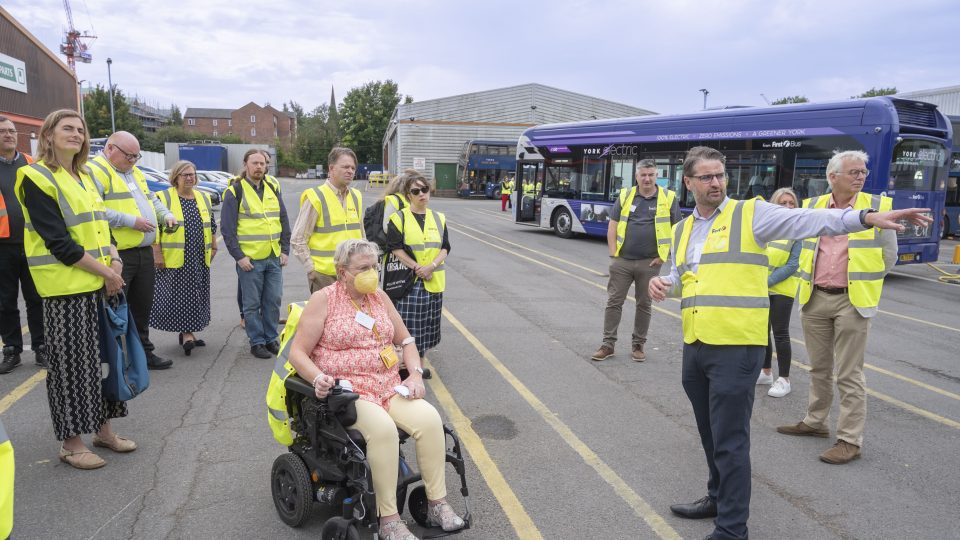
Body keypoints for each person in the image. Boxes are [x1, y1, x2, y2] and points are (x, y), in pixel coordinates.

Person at [648, 146, 929, 540]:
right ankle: (716, 497)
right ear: (688, 182)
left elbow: (809, 219)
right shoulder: (682, 230)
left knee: (730, 440)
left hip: (737, 347)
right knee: (710, 435)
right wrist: (662, 283)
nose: (715, 183)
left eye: (720, 175)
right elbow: (681, 277)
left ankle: (731, 528)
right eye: (706, 177)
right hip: (696, 343)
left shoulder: (752, 214)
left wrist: (863, 217)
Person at [286, 239, 465, 540]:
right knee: (383, 431)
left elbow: (406, 341)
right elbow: (297, 353)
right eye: (363, 268)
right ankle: (389, 520)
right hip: (349, 393)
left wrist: (415, 376)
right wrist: (317, 378)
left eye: (374, 267)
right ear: (342, 272)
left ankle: (437, 503)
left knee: (430, 419)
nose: (372, 273)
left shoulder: (379, 297)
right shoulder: (324, 299)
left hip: (388, 386)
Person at [16, 109, 136, 470]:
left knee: (104, 362)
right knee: (71, 368)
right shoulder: (35, 177)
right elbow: (59, 243)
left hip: (99, 284)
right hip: (65, 291)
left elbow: (102, 227)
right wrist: (108, 273)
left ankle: (103, 431)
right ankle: (71, 444)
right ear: (48, 135)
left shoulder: (84, 176)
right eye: (67, 128)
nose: (76, 134)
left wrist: (115, 260)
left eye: (81, 130)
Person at [776, 150, 899, 464]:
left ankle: (849, 440)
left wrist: (863, 283)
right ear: (833, 177)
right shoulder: (814, 206)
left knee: (849, 373)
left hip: (852, 300)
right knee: (819, 368)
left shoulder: (879, 207)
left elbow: (889, 257)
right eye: (854, 172)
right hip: (815, 295)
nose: (861, 176)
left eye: (863, 172)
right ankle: (816, 422)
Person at [87, 131, 175, 370]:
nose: (134, 161)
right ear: (110, 149)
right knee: (114, 308)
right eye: (130, 156)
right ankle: (116, 360)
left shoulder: (134, 172)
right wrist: (131, 221)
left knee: (141, 306)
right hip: (118, 255)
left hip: (143, 251)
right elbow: (95, 209)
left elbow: (151, 199)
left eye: (137, 156)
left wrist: (164, 215)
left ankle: (143, 354)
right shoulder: (95, 171)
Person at [592, 159, 680, 362]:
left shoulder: (668, 197)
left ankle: (638, 345)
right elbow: (612, 226)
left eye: (651, 174)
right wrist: (614, 255)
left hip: (649, 263)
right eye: (643, 175)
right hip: (622, 261)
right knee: (614, 302)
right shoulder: (626, 195)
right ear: (637, 176)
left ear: (657, 175)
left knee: (644, 304)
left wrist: (663, 256)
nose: (647, 178)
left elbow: (677, 230)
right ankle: (608, 344)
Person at [221, 149, 291, 359]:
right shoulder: (235, 191)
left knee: (273, 300)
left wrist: (285, 249)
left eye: (262, 163)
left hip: (273, 257)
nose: (259, 167)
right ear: (245, 165)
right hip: (250, 260)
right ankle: (257, 342)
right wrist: (239, 257)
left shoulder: (272, 188)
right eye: (255, 163)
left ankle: (271, 339)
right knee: (251, 304)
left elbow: (283, 220)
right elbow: (227, 229)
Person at [150, 160, 218, 355]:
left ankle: (189, 332)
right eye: (185, 175)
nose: (190, 178)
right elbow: (155, 227)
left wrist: (214, 245)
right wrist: (157, 252)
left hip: (199, 256)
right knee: (178, 296)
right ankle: (187, 333)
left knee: (197, 293)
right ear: (176, 178)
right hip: (174, 257)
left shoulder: (203, 197)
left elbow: (211, 224)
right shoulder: (163, 198)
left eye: (192, 174)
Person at [0, 115, 47, 373]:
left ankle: (41, 347)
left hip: (32, 243)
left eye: (11, 131)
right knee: (5, 301)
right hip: (2, 247)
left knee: (36, 298)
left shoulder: (31, 164)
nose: (8, 135)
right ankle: (12, 349)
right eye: (3, 131)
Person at [387, 171, 450, 363]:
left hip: (434, 281)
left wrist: (431, 266)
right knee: (410, 326)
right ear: (409, 196)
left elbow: (445, 247)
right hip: (411, 282)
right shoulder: (399, 218)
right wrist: (417, 267)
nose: (422, 194)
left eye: (425, 189)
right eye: (416, 191)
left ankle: (419, 364)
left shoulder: (439, 218)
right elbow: (395, 248)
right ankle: (407, 366)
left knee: (428, 326)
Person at [291, 147, 364, 293]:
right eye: (345, 167)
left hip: (353, 275)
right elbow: (298, 239)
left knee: (354, 315)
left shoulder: (356, 196)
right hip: (325, 276)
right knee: (327, 316)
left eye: (353, 168)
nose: (350, 171)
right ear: (331, 168)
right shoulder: (315, 197)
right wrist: (311, 269)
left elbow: (361, 235)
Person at [756, 187, 802, 398]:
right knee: (761, 332)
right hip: (761, 286)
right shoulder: (766, 227)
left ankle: (784, 379)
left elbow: (793, 264)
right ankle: (766, 372)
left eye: (791, 203)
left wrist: (768, 281)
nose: (788, 207)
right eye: (783, 203)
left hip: (782, 289)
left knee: (780, 333)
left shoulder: (797, 231)